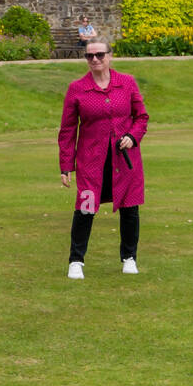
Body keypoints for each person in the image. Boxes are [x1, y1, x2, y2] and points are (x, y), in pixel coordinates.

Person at [58, 36, 148, 278]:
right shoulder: (77, 88)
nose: (95, 59)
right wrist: (66, 166)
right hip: (91, 161)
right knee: (86, 209)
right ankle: (76, 260)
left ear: (109, 56)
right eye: (90, 56)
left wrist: (132, 136)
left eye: (99, 55)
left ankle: (129, 258)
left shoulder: (127, 83)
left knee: (130, 209)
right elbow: (68, 130)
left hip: (125, 161)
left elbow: (142, 117)